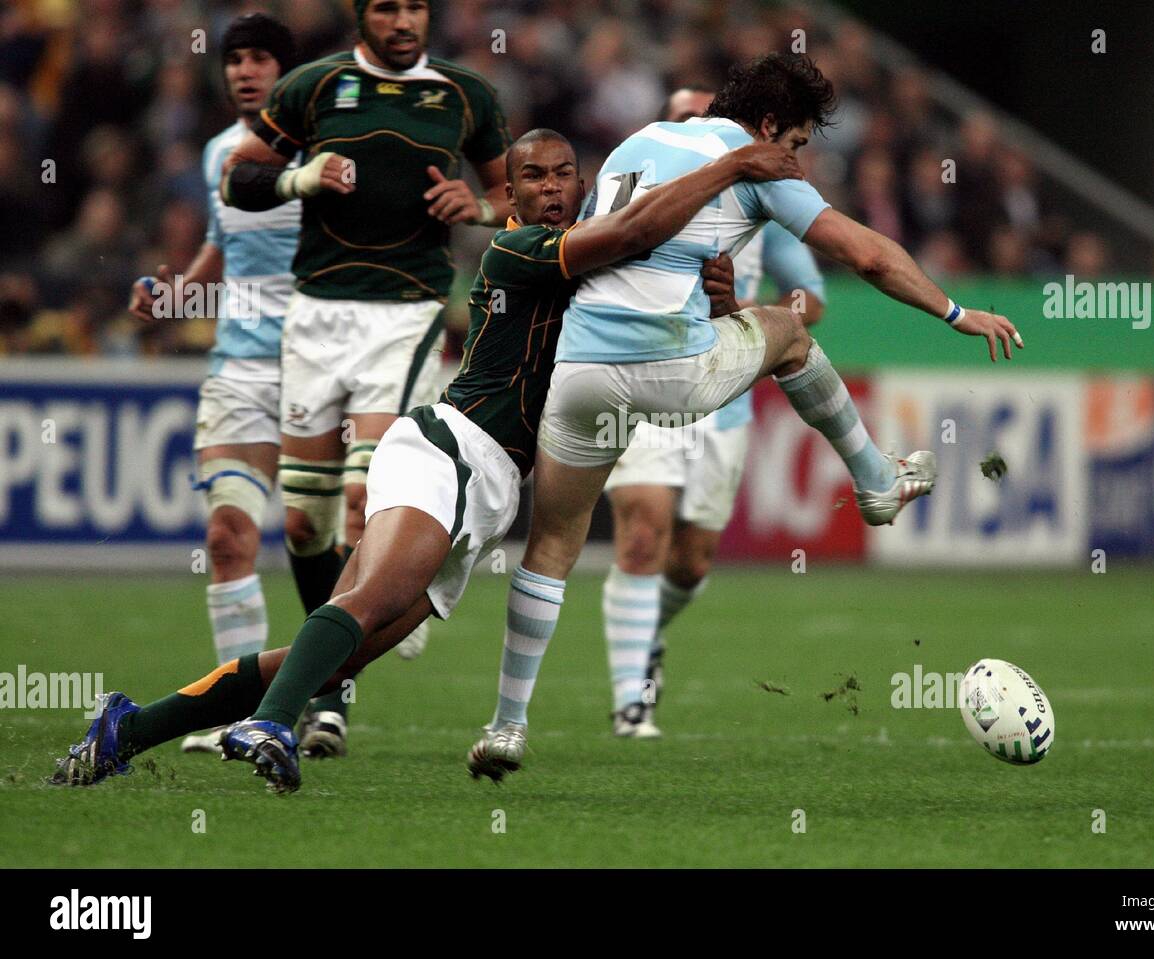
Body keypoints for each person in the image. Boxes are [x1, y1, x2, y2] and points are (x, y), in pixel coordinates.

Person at [48, 130, 801, 792]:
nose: (549, 188)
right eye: (531, 176)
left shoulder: (600, 274)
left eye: (562, 173)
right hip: (447, 448)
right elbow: (635, 232)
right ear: (509, 196)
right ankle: (273, 725)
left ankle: (128, 728)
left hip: (492, 491)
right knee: (372, 600)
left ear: (581, 183)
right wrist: (733, 165)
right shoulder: (523, 249)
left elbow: (658, 312)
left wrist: (723, 303)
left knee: (336, 654)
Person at [470, 53, 1022, 775]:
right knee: (790, 332)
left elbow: (612, 250)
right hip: (669, 369)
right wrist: (953, 312)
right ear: (768, 128)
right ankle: (875, 478)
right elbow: (867, 255)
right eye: (794, 144)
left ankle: (507, 725)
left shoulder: (637, 142)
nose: (794, 161)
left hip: (581, 371)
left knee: (552, 545)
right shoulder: (756, 163)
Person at [219, 0, 512, 756]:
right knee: (302, 521)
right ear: (361, 15)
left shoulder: (463, 94)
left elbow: (515, 195)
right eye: (388, 7)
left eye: (416, 6)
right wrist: (300, 177)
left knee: (362, 493)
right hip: (316, 315)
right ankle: (331, 688)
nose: (404, 19)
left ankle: (340, 668)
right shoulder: (312, 88)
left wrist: (477, 205)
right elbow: (238, 177)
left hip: (408, 312)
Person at [598, 87, 826, 738]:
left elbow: (810, 299)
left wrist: (756, 317)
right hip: (643, 383)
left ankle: (649, 636)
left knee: (691, 560)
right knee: (643, 532)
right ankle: (631, 697)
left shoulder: (759, 204)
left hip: (722, 398)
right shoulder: (642, 190)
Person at [127, 13, 298, 754]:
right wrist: (175, 299)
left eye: (260, 58)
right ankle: (235, 710)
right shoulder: (219, 153)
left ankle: (329, 702)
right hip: (239, 369)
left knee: (323, 534)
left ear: (285, 73)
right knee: (229, 536)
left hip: (323, 368)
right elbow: (219, 249)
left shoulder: (330, 147)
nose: (243, 70)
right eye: (234, 59)